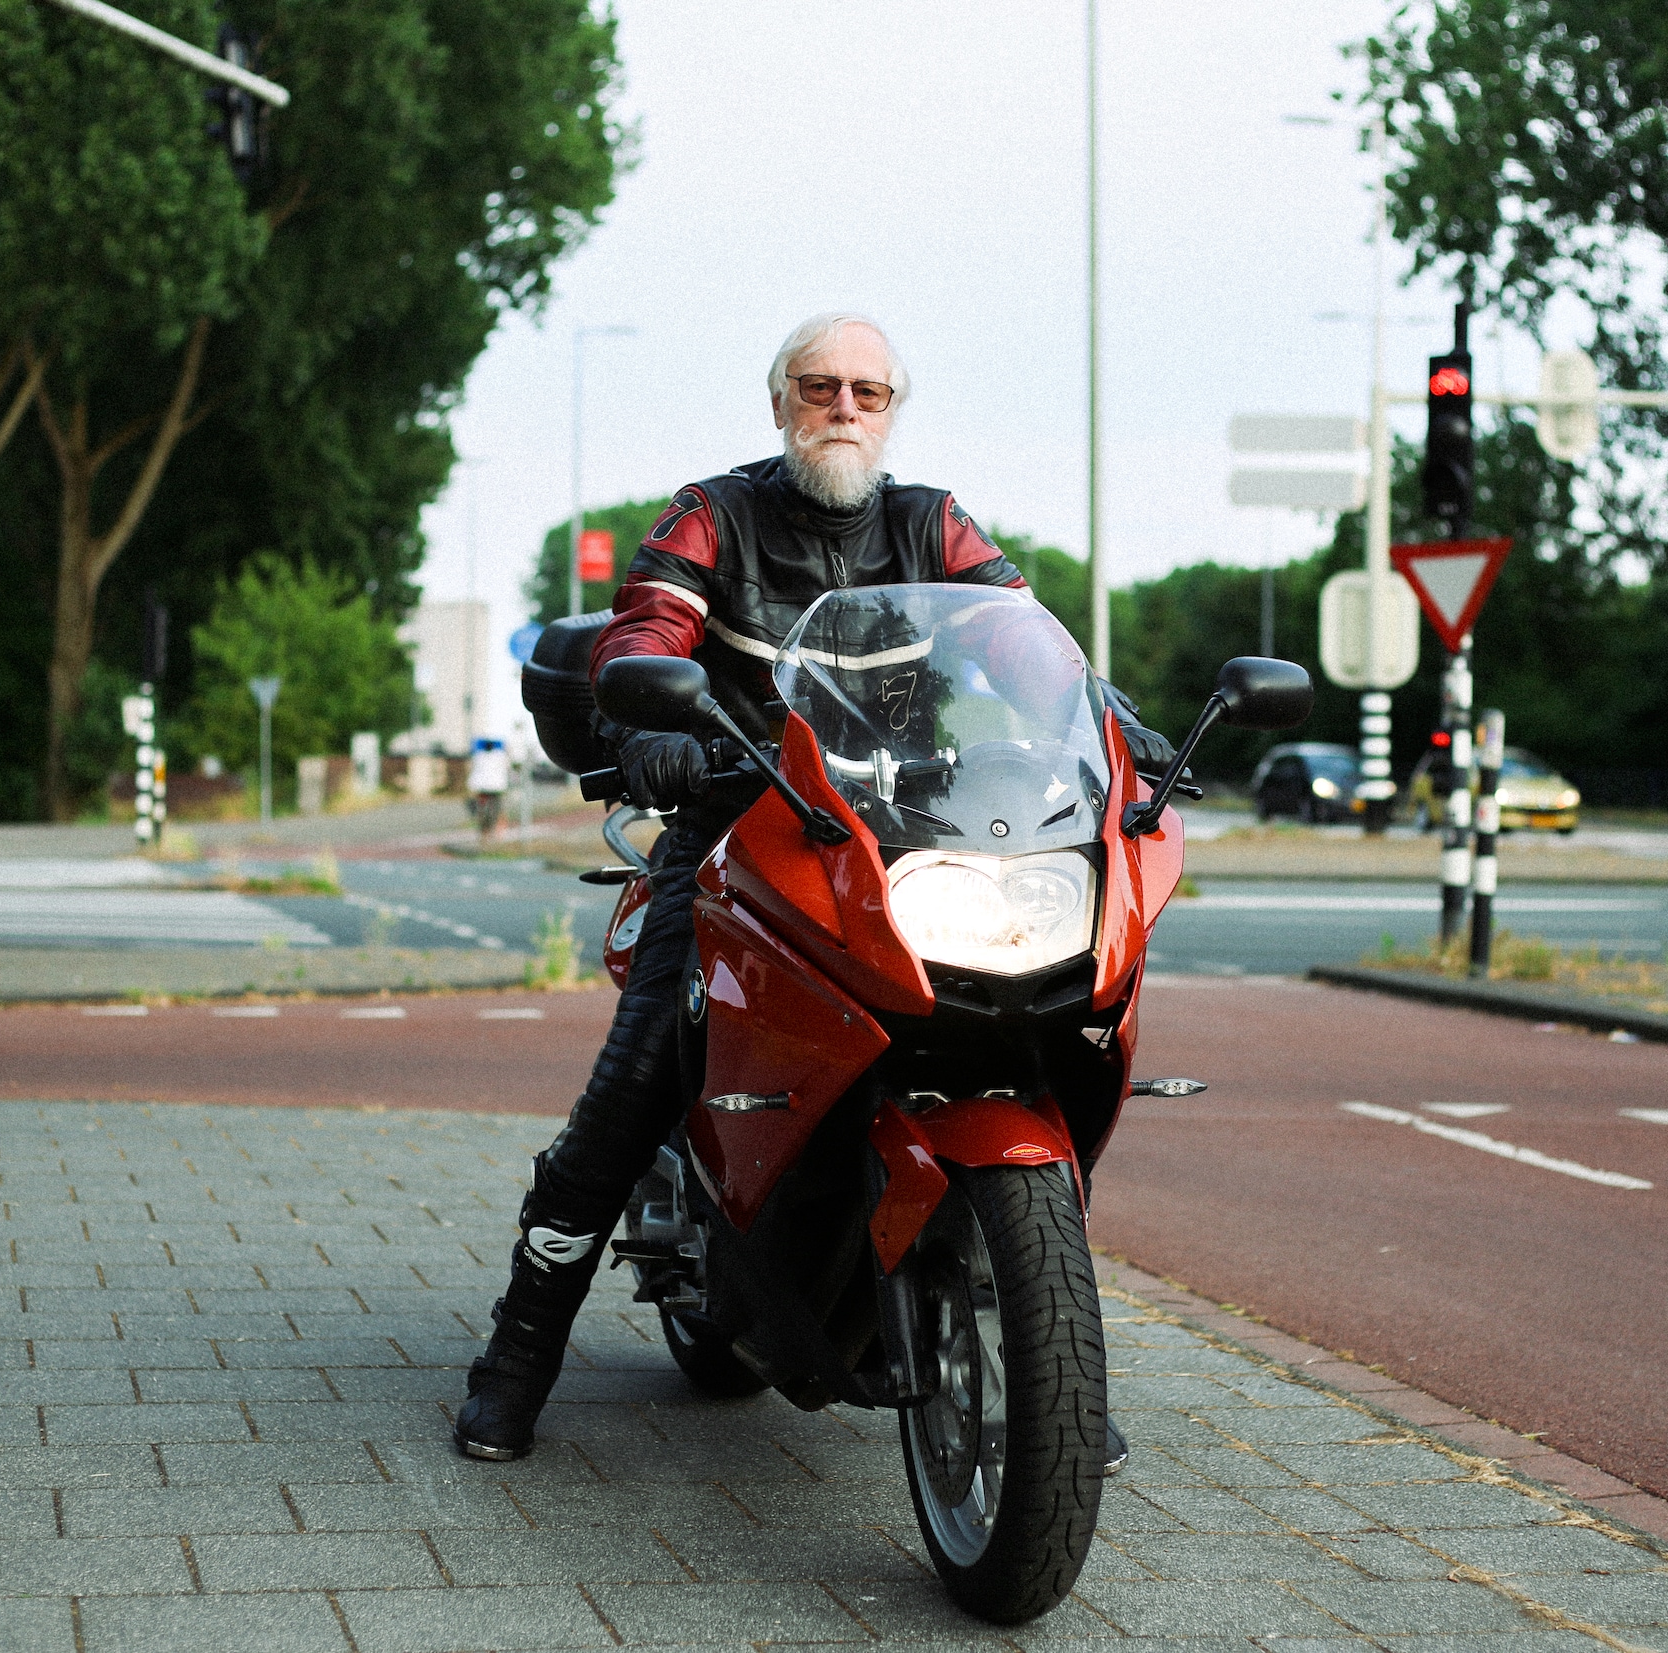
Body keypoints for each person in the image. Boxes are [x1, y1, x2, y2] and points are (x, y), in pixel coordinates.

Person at [453, 313, 1173, 1467]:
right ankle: (514, 1360)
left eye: (868, 392)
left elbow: (1027, 642)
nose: (844, 407)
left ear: (892, 411)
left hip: (909, 833)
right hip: (740, 818)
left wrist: (1112, 724)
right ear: (779, 399)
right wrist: (652, 717)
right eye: (820, 386)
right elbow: (650, 625)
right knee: (630, 1086)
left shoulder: (929, 521)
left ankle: (1044, 1358)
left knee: (1045, 1022)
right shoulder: (714, 513)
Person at [466, 736, 510, 837]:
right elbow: (507, 766)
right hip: (497, 787)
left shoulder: (478, 755)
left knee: (481, 803)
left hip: (481, 786)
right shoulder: (500, 755)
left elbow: (473, 768)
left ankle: (482, 823)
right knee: (497, 806)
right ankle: (493, 826)